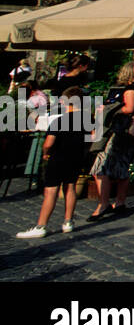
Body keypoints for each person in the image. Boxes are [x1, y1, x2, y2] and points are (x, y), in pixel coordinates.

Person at [16, 87, 87, 238]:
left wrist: (45, 153)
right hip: (75, 157)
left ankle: (41, 225)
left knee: (51, 191)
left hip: (58, 157)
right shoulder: (86, 119)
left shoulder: (60, 120)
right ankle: (68, 222)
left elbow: (49, 142)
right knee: (71, 187)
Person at [88, 62, 134, 221]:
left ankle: (103, 204)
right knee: (121, 166)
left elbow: (129, 108)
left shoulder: (129, 90)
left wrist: (110, 109)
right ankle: (119, 202)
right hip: (128, 133)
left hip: (120, 132)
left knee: (101, 167)